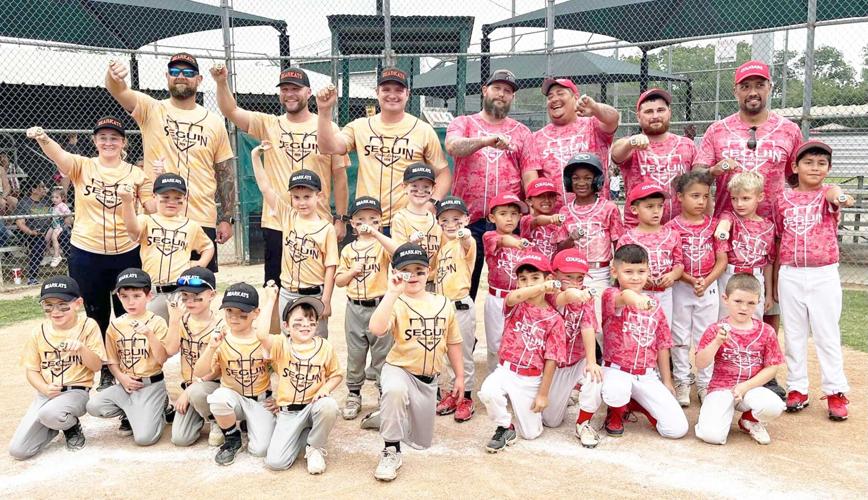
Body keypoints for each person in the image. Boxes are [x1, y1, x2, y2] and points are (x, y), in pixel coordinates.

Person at [27, 119, 152, 389]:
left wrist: (163, 176)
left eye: (114, 138)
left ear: (123, 142)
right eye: (103, 137)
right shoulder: (83, 165)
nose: (108, 142)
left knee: (127, 313)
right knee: (95, 313)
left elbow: (153, 206)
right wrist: (43, 138)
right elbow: (59, 154)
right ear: (95, 141)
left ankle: (128, 364)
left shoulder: (136, 174)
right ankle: (106, 366)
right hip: (88, 251)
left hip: (125, 251)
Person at [693, 59, 802, 337]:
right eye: (746, 86)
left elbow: (796, 177)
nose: (753, 92)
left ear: (769, 88)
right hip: (731, 229)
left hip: (774, 227)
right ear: (736, 90)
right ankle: (727, 363)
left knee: (770, 297)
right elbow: (698, 173)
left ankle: (767, 363)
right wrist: (716, 170)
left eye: (759, 85)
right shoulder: (718, 130)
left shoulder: (789, 130)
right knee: (730, 301)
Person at [213, 65, 349, 285]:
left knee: (315, 285)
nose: (290, 94)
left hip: (316, 222)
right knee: (274, 287)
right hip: (278, 222)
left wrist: (341, 219)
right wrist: (221, 82)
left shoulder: (327, 127)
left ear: (308, 92)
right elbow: (231, 111)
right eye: (285, 89)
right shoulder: (269, 124)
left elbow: (340, 177)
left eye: (296, 88)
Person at [105, 54, 235, 271]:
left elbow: (225, 172)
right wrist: (113, 76)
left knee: (198, 290)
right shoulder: (151, 109)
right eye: (175, 72)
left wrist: (227, 217)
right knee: (158, 283)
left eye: (188, 72)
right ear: (166, 77)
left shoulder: (214, 122)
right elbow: (119, 91)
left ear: (199, 79)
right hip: (159, 217)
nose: (181, 76)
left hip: (200, 217)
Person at [367, 243, 464, 481]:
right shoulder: (396, 301)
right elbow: (377, 329)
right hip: (399, 369)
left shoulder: (443, 303)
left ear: (429, 272)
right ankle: (391, 449)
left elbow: (453, 342)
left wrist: (460, 377)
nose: (414, 276)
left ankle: (385, 416)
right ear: (396, 273)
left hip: (427, 379)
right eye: (406, 270)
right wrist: (391, 292)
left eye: (419, 270)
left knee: (421, 443)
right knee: (395, 391)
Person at [315, 67, 450, 233]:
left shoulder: (423, 130)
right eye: (386, 89)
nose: (392, 95)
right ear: (376, 92)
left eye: (399, 90)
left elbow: (443, 173)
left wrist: (432, 203)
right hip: (369, 221)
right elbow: (327, 146)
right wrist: (324, 111)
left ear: (407, 94)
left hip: (408, 221)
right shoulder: (360, 126)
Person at [775, 141, 854, 421]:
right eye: (808, 162)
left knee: (826, 333)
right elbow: (778, 236)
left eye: (822, 164)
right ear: (795, 167)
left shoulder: (826, 194)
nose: (815, 168)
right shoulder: (783, 199)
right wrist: (775, 280)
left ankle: (835, 391)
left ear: (829, 169)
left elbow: (836, 194)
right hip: (791, 272)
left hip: (823, 273)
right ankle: (797, 388)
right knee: (794, 334)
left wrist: (841, 196)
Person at [445, 69, 534, 300]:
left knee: (511, 288)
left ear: (512, 97)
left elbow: (529, 174)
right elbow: (453, 146)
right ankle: (463, 336)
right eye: (497, 88)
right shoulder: (463, 123)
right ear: (485, 90)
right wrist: (486, 141)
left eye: (508, 91)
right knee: (463, 288)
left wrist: (531, 214)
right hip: (468, 221)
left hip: (507, 223)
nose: (502, 94)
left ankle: (508, 336)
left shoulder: (522, 133)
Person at [9, 276, 105, 459]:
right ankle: (55, 424)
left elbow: (97, 365)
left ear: (78, 303)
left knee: (49, 413)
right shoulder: (38, 332)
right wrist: (44, 388)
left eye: (62, 305)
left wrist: (82, 349)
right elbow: (32, 371)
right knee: (19, 451)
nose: (55, 311)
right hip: (46, 394)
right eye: (48, 305)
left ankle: (70, 425)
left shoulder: (88, 325)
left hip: (75, 392)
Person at [478, 252, 565, 452]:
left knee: (531, 434)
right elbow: (512, 296)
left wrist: (543, 394)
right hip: (506, 370)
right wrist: (541, 287)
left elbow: (551, 359)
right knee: (489, 392)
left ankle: (530, 415)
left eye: (535, 277)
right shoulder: (516, 304)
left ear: (548, 279)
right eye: (523, 279)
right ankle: (505, 426)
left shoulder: (555, 319)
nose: (529, 284)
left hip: (531, 378)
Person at [600, 244, 688, 440]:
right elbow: (625, 296)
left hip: (647, 374)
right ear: (615, 271)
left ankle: (635, 404)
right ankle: (615, 412)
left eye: (641, 271)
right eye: (628, 272)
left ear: (648, 272)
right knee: (616, 391)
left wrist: (667, 380)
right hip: (617, 369)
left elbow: (662, 344)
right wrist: (637, 300)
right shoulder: (610, 295)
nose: (635, 277)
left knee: (676, 429)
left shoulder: (655, 304)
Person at [251, 142, 337, 338]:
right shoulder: (287, 216)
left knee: (316, 340)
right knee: (289, 340)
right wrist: (256, 157)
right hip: (288, 291)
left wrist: (327, 299)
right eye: (296, 197)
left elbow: (330, 266)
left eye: (307, 196)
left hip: (314, 294)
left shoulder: (326, 229)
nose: (302, 202)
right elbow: (265, 188)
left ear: (319, 196)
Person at [694, 274, 785, 445]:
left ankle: (749, 420)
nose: (744, 307)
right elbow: (700, 363)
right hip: (721, 388)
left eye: (751, 303)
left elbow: (772, 367)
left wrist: (745, 387)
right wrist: (716, 343)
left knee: (774, 405)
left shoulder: (766, 331)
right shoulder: (716, 329)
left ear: (758, 302)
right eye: (738, 301)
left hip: (751, 388)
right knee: (712, 436)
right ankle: (716, 417)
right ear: (725, 299)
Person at [259, 291, 343, 473]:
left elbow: (336, 374)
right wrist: (270, 300)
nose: (305, 324)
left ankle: (314, 447)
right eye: (299, 321)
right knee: (276, 463)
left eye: (311, 320)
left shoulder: (325, 346)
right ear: (286, 326)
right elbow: (261, 334)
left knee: (328, 405)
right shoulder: (281, 344)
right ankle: (306, 434)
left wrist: (326, 388)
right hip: (288, 412)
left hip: (313, 407)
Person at [665, 170, 729, 407]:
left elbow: (722, 259)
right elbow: (672, 261)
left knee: (706, 336)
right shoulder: (671, 227)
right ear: (679, 197)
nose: (701, 201)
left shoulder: (714, 226)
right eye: (695, 196)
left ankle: (705, 382)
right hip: (682, 287)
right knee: (680, 336)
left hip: (708, 287)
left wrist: (706, 281)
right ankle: (682, 380)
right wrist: (692, 281)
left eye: (705, 196)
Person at [86, 269, 169, 446]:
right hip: (126, 385)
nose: (130, 302)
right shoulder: (115, 325)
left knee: (145, 438)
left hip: (150, 384)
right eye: (124, 296)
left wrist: (149, 334)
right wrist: (121, 378)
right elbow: (112, 361)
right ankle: (131, 412)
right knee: (94, 406)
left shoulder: (157, 322)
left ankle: (159, 407)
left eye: (137, 296)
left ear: (149, 296)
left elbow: (162, 359)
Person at [197, 283, 277, 466]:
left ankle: (248, 424)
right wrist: (211, 348)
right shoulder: (221, 338)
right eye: (229, 310)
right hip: (233, 399)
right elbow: (199, 373)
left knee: (260, 450)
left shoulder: (264, 339)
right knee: (217, 398)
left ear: (256, 313)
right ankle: (232, 438)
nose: (234, 316)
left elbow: (284, 371)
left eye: (242, 312)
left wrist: (280, 398)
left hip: (260, 401)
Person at [334, 196, 398, 420]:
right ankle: (353, 393)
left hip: (379, 306)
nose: (366, 223)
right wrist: (352, 272)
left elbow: (397, 251)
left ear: (380, 222)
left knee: (382, 351)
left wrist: (378, 234)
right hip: (355, 307)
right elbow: (339, 281)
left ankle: (383, 390)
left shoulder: (381, 246)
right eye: (361, 219)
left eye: (373, 219)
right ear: (352, 223)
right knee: (356, 353)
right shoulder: (348, 251)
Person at [119, 173, 214, 322]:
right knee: (153, 332)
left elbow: (208, 246)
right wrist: (127, 202)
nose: (171, 202)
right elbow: (132, 230)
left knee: (184, 334)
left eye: (177, 198)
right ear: (154, 197)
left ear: (185, 199)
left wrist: (200, 264)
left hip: (181, 291)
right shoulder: (146, 220)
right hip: (154, 291)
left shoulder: (191, 225)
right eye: (165, 197)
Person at [556, 153, 624, 330]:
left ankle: (599, 358)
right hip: (572, 274)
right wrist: (571, 239)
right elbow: (559, 249)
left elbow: (618, 244)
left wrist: (619, 276)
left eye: (588, 178)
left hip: (600, 272)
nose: (581, 183)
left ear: (597, 180)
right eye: (576, 178)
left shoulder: (608, 208)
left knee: (599, 325)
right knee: (573, 325)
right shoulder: (565, 211)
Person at [527, 78, 619, 209]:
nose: (554, 99)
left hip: (594, 216)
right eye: (550, 96)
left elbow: (613, 119)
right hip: (554, 219)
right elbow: (533, 180)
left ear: (575, 97)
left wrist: (595, 108)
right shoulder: (536, 138)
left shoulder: (592, 125)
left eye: (560, 93)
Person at [611, 88, 696, 227]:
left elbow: (700, 184)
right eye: (648, 111)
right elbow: (616, 153)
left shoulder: (687, 145)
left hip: (680, 228)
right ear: (638, 116)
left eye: (660, 110)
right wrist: (631, 143)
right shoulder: (632, 145)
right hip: (639, 230)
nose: (655, 116)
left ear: (669, 112)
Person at [543, 249, 603, 448]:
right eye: (568, 277)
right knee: (551, 421)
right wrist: (573, 293)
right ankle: (569, 391)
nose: (575, 282)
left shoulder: (586, 295)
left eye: (579, 278)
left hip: (577, 360)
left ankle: (583, 423)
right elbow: (564, 297)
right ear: (554, 276)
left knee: (594, 375)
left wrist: (592, 362)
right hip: (554, 366)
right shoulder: (549, 293)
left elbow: (587, 326)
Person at [164, 266, 225, 447]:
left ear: (211, 295)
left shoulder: (221, 325)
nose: (190, 301)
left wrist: (190, 390)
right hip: (189, 386)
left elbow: (219, 369)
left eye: (197, 296)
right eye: (185, 296)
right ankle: (200, 412)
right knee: (181, 439)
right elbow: (170, 350)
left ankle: (217, 421)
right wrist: (174, 320)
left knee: (198, 392)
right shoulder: (181, 320)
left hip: (212, 386)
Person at [432, 196, 477, 422]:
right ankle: (453, 392)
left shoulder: (464, 243)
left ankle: (467, 397)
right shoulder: (442, 249)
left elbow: (468, 241)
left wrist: (464, 233)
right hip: (444, 308)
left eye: (456, 219)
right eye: (445, 219)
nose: (451, 224)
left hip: (461, 306)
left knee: (464, 354)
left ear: (467, 219)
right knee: (447, 356)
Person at [617, 181, 684, 326]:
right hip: (636, 294)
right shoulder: (627, 238)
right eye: (649, 206)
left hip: (665, 294)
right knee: (639, 331)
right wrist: (638, 279)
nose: (656, 211)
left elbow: (679, 264)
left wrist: (672, 275)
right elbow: (619, 269)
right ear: (635, 210)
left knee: (663, 330)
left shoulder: (673, 235)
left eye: (660, 206)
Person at [713, 172, 776, 320]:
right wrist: (722, 230)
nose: (739, 204)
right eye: (734, 199)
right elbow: (724, 225)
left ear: (759, 197)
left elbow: (768, 263)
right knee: (725, 318)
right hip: (730, 275)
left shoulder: (768, 226)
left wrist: (768, 294)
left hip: (756, 276)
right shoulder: (730, 216)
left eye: (745, 198)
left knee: (753, 319)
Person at [482, 193, 530, 372]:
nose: (509, 218)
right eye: (503, 213)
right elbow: (503, 240)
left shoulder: (524, 242)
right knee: (495, 344)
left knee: (518, 340)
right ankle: (494, 382)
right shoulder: (489, 236)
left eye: (514, 213)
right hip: (497, 298)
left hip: (519, 299)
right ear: (492, 217)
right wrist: (518, 244)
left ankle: (513, 381)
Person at [390, 163, 443, 287]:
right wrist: (411, 244)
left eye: (426, 186)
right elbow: (398, 255)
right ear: (404, 187)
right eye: (414, 186)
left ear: (433, 189)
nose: (420, 191)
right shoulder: (400, 219)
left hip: (433, 283)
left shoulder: (437, 220)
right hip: (409, 282)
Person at [13, 180, 55, 285]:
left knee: (67, 236)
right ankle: (32, 277)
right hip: (31, 234)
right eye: (41, 187)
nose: (44, 189)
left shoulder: (47, 201)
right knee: (39, 244)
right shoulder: (24, 203)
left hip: (49, 231)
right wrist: (31, 232)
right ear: (33, 190)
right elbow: (20, 223)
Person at [520, 178, 564, 260]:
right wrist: (551, 219)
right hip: (532, 269)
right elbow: (537, 220)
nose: (546, 200)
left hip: (552, 269)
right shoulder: (526, 220)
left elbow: (561, 248)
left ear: (555, 199)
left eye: (550, 196)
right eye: (540, 196)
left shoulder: (559, 222)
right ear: (529, 202)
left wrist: (571, 238)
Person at [45, 188, 72, 268]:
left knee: (54, 237)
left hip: (59, 225)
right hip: (54, 225)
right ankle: (49, 253)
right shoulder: (54, 206)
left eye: (57, 197)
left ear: (62, 198)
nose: (54, 199)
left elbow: (68, 213)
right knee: (46, 238)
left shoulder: (62, 205)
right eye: (52, 197)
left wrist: (65, 218)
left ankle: (57, 256)